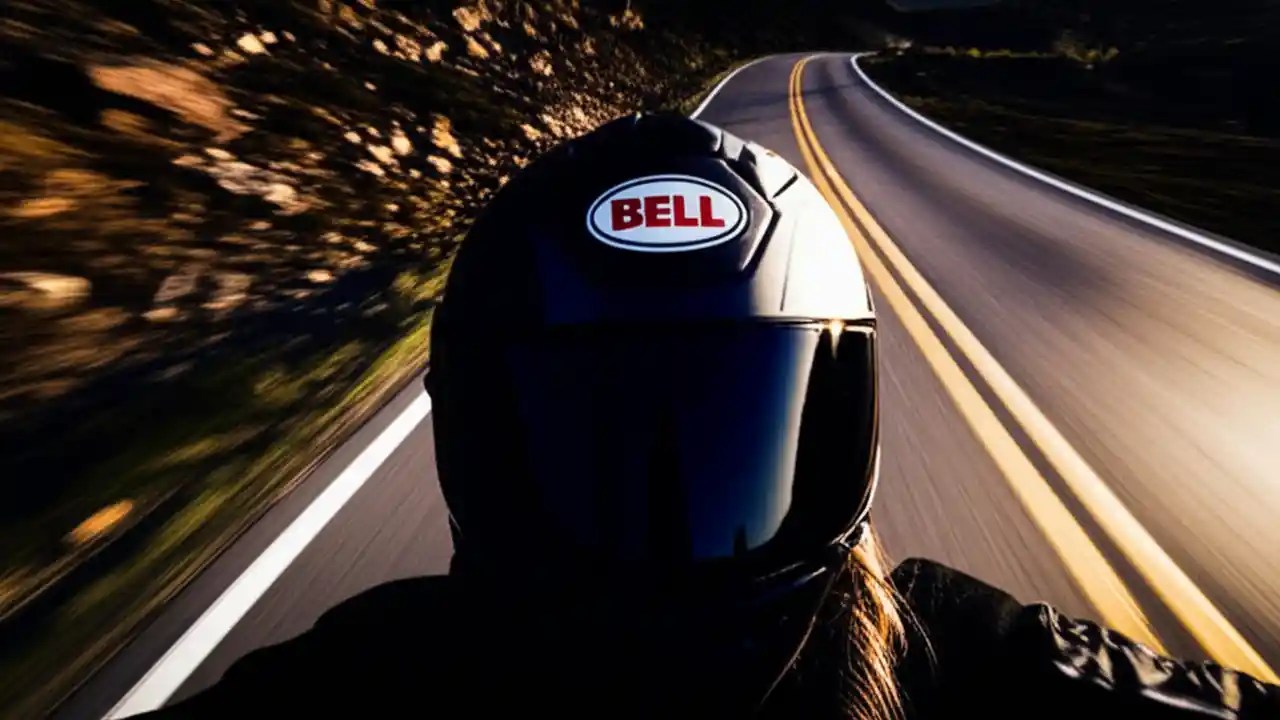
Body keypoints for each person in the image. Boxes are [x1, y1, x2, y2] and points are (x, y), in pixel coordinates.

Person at [135, 114, 1279, 719]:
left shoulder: (378, 675)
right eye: (607, 440)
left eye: (730, 431)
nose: (670, 508)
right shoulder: (957, 658)